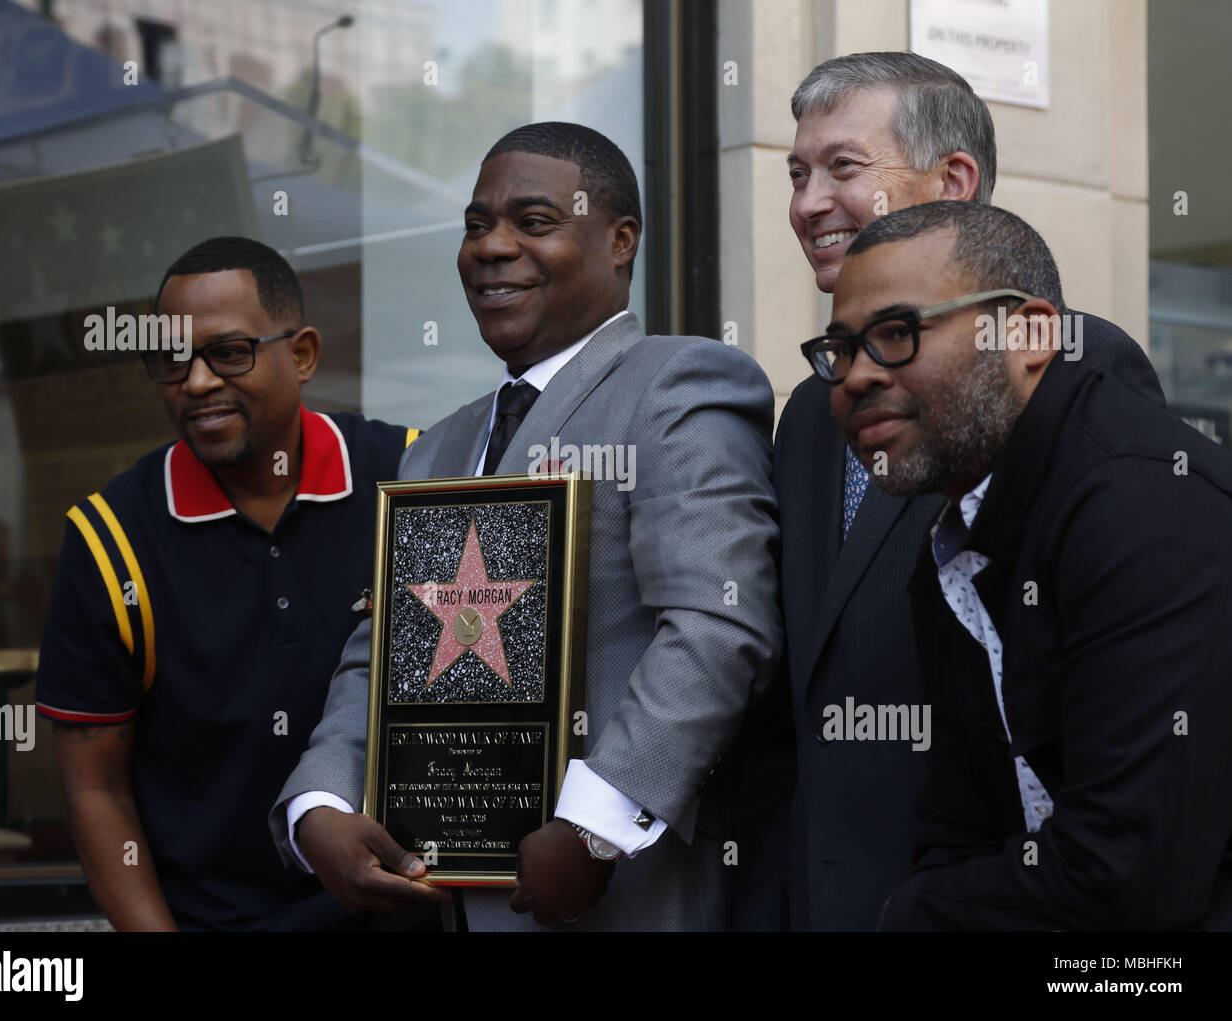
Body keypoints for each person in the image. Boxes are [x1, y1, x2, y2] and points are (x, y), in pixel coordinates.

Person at [270, 121, 783, 931]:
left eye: (533, 222)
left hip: (631, 903)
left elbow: (719, 626)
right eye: (476, 225)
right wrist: (320, 803)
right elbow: (380, 658)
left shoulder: (677, 385)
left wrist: (596, 827)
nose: (492, 247)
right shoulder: (435, 446)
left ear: (621, 242)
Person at [729, 51, 1166, 931]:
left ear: (954, 179)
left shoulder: (1065, 370)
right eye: (797, 173)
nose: (808, 203)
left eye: (843, 167)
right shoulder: (812, 410)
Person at [816, 200, 1232, 929]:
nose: (854, 376)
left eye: (896, 333)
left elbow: (1129, 881)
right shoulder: (954, 540)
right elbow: (957, 832)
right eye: (841, 349)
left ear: (1031, 333)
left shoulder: (1142, 505)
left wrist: (909, 913)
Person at [35, 236, 440, 931]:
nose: (195, 382)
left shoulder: (413, 478)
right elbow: (96, 785)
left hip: (406, 910)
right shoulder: (110, 537)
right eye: (172, 360)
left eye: (229, 352)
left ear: (304, 354)